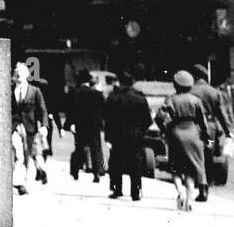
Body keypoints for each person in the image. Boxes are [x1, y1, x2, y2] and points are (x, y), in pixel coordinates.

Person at [154, 70, 209, 212]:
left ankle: (181, 192)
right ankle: (189, 199)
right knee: (191, 169)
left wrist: (165, 130)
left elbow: (159, 117)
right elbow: (202, 122)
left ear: (175, 85)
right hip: (193, 133)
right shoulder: (195, 100)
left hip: (175, 133)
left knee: (175, 168)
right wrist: (206, 136)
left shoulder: (171, 99)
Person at [104, 71, 152, 201]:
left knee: (115, 162)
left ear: (119, 82)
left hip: (117, 135)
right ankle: (135, 192)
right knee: (135, 163)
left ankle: (116, 189)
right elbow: (147, 120)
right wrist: (141, 131)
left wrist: (108, 137)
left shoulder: (113, 97)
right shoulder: (140, 98)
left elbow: (107, 119)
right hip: (135, 135)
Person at [188, 64, 229, 200]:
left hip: (193, 127)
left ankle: (196, 184)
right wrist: (227, 130)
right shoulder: (214, 92)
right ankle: (207, 186)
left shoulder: (189, 90)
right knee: (208, 155)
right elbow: (221, 114)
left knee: (195, 156)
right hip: (210, 129)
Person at [65, 69, 106, 182]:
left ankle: (75, 171)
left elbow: (70, 110)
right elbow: (103, 109)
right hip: (94, 125)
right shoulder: (97, 94)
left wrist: (70, 124)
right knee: (96, 148)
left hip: (80, 124)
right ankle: (96, 172)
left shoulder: (74, 93)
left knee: (79, 148)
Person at [12, 61, 49, 189]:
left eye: (21, 74)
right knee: (19, 153)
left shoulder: (35, 91)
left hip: (30, 128)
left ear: (26, 75)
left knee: (30, 153)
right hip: (15, 128)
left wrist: (44, 125)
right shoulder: (10, 90)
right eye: (17, 74)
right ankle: (19, 182)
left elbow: (42, 109)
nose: (18, 77)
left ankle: (31, 177)